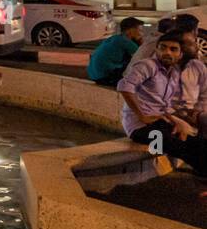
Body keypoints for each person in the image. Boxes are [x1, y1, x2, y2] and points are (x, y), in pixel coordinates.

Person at [117, 31, 207, 176]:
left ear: (180, 54)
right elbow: (125, 87)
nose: (167, 52)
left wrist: (175, 121)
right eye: (163, 47)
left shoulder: (173, 73)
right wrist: (142, 116)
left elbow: (163, 106)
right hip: (140, 129)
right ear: (156, 49)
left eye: (173, 49)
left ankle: (202, 175)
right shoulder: (147, 66)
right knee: (179, 147)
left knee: (198, 143)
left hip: (159, 123)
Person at [87, 17, 145, 86]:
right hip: (105, 77)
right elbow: (142, 57)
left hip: (94, 75)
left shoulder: (115, 38)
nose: (142, 34)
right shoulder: (126, 42)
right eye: (140, 30)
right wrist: (141, 41)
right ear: (130, 30)